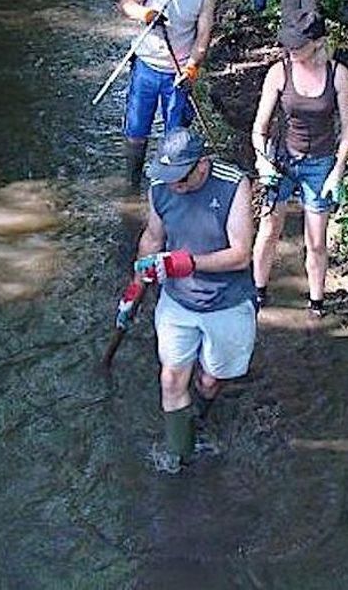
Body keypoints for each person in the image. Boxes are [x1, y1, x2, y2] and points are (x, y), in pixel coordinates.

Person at [126, 127, 256, 471]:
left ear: (203, 164)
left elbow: (242, 254)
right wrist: (135, 287)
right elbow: (153, 238)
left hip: (227, 300)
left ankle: (199, 411)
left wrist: (188, 263)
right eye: (168, 178)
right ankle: (178, 455)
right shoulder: (161, 187)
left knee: (212, 379)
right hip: (177, 302)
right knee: (171, 378)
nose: (175, 187)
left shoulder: (234, 184)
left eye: (181, 179)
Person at [250, 11, 348, 316]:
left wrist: (337, 171)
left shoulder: (338, 74)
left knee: (317, 240)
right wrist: (262, 161)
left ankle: (316, 304)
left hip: (320, 164)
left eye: (298, 46)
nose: (291, 51)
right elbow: (259, 128)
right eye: (288, 46)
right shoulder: (279, 72)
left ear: (318, 43)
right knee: (269, 228)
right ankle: (258, 294)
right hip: (281, 159)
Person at [118, 0, 225, 189]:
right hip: (146, 66)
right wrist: (146, 15)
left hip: (177, 73)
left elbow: (203, 36)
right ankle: (132, 184)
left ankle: (171, 188)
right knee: (136, 129)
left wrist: (192, 67)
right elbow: (125, 3)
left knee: (175, 135)